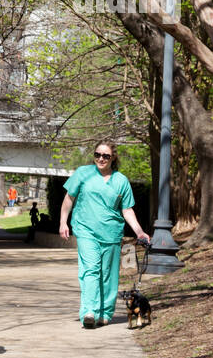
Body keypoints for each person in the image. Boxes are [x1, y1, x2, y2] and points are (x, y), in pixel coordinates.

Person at [58, 140, 150, 328]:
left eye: (105, 156)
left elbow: (127, 210)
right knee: (90, 269)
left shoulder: (121, 181)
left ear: (112, 158)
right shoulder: (83, 173)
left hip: (111, 233)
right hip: (85, 230)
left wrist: (140, 232)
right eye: (97, 155)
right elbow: (69, 198)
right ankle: (89, 311)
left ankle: (105, 312)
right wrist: (63, 222)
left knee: (107, 274)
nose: (101, 159)